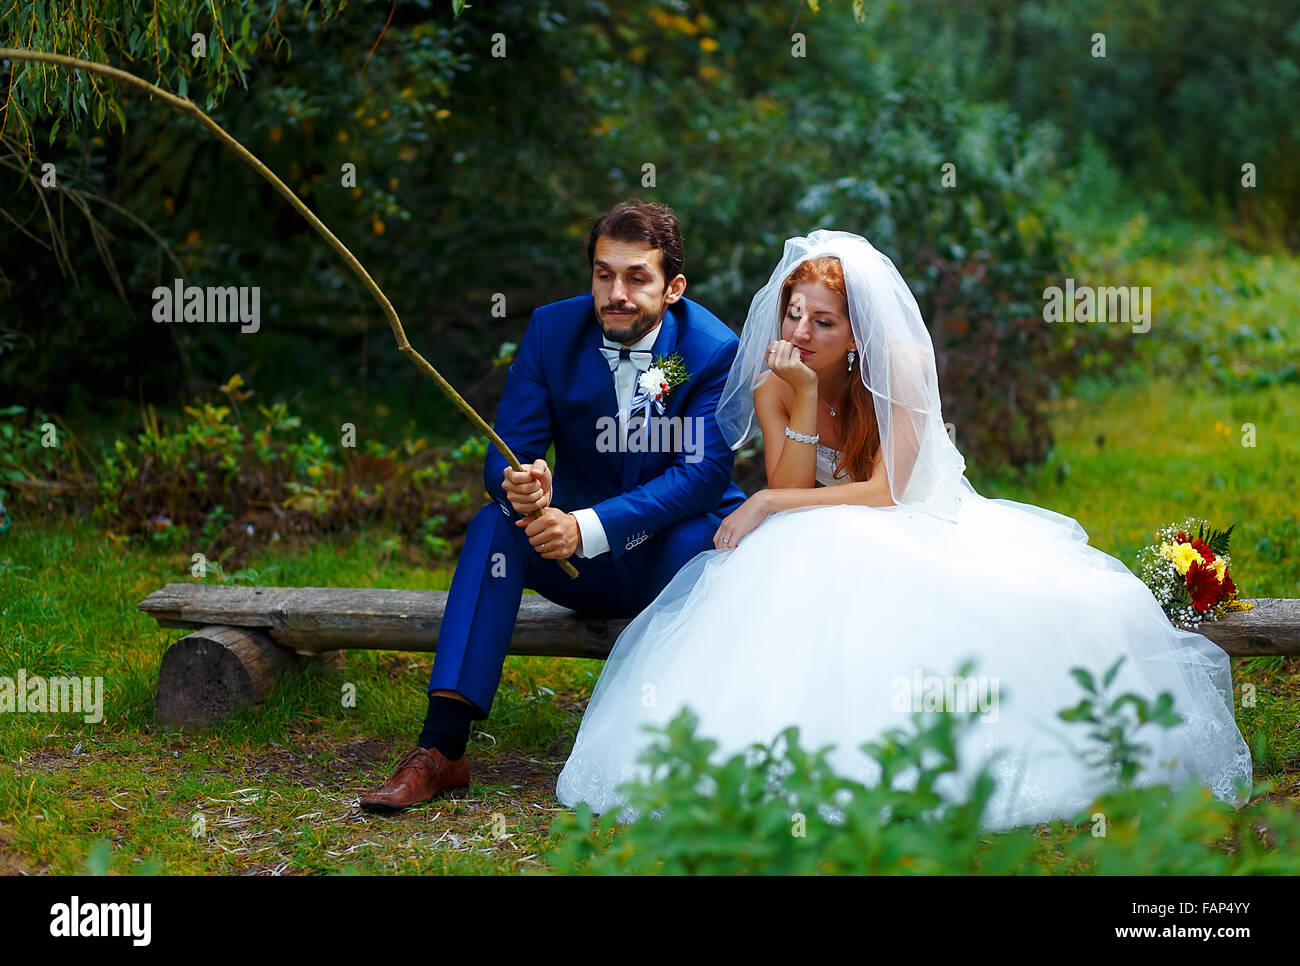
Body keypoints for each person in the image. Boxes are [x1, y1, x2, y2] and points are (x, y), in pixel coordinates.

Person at [555, 229, 1253, 831]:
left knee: (878, 563)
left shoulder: (902, 367)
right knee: (785, 568)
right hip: (819, 526)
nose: (798, 334)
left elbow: (884, 495)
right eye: (793, 315)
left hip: (915, 523)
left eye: (823, 323)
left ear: (859, 332)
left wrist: (765, 504)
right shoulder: (777, 381)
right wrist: (799, 397)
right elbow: (797, 487)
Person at [361, 201, 746, 812]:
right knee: (496, 522)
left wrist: (586, 525)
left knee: (703, 533)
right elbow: (504, 448)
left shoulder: (712, 349)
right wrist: (521, 483)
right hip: (575, 564)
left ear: (673, 287)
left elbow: (700, 476)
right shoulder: (550, 330)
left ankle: (675, 754)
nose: (615, 293)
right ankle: (442, 749)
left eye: (636, 277)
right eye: (602, 274)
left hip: (670, 559)